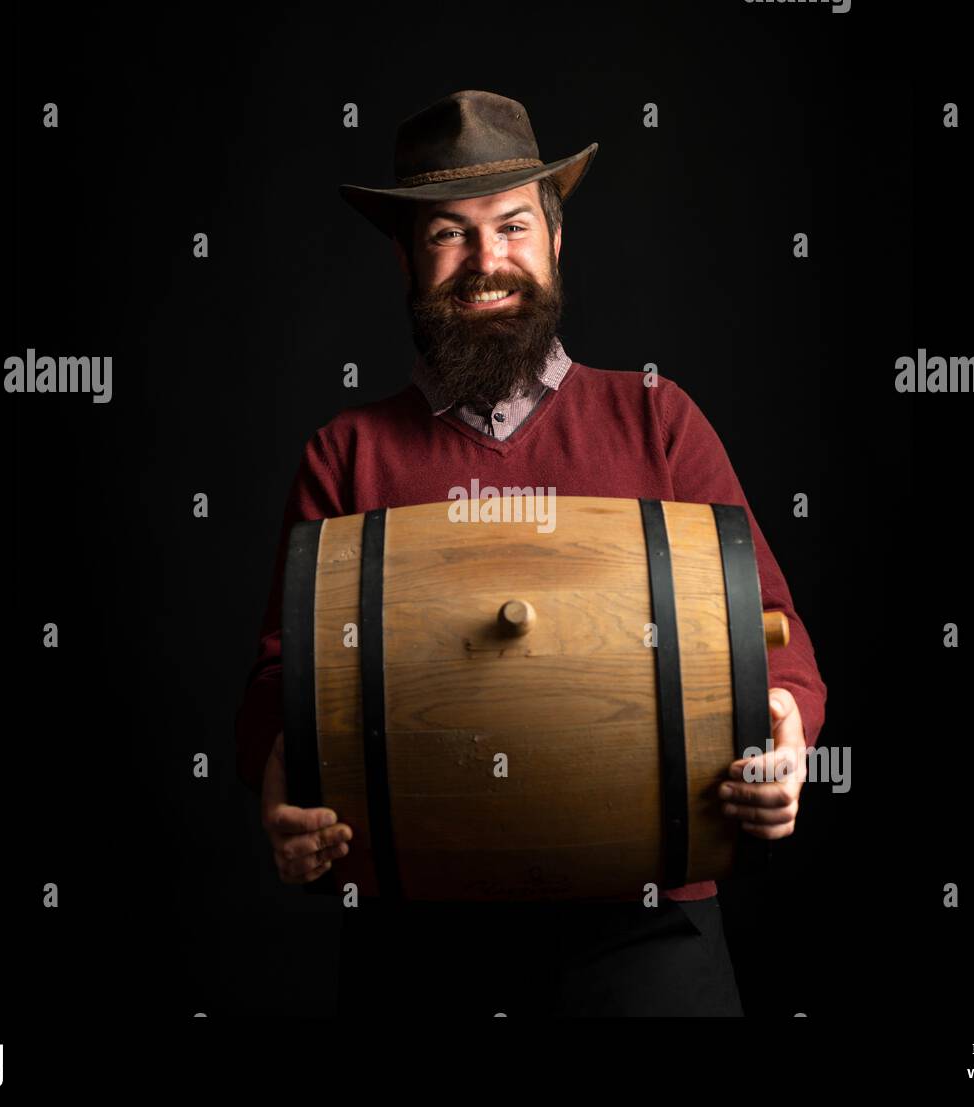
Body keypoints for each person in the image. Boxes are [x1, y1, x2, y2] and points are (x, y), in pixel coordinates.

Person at [235, 89, 827, 1016]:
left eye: (512, 225)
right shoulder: (344, 453)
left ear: (555, 237)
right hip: (418, 942)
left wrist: (783, 741)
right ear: (404, 257)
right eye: (448, 235)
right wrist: (279, 782)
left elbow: (778, 649)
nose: (486, 263)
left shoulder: (658, 418)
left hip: (648, 933)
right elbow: (283, 681)